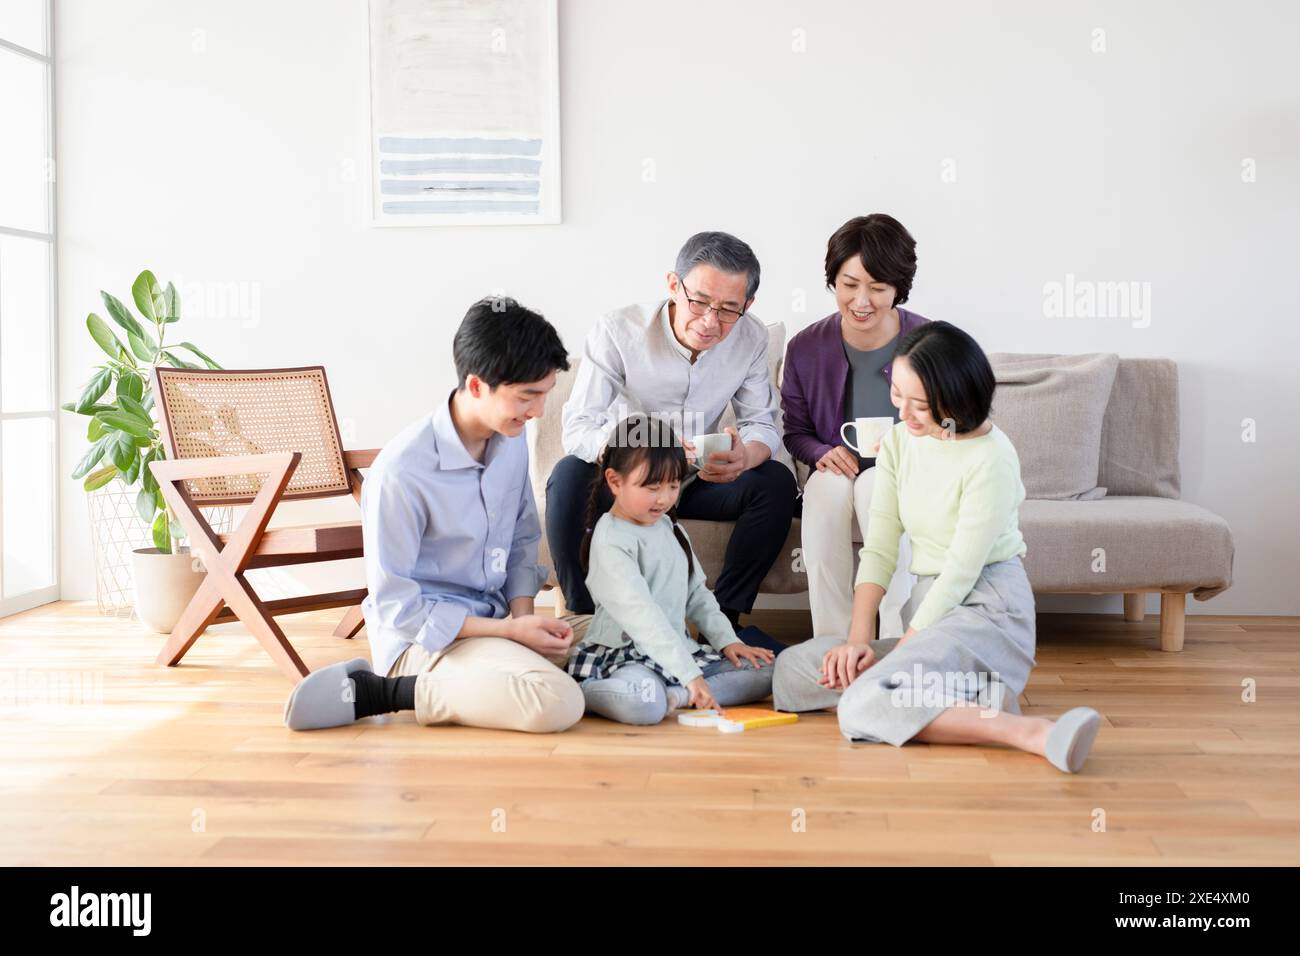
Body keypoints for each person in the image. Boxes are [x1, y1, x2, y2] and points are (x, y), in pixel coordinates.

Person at [773, 321, 1104, 773]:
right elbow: (881, 550)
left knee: (859, 705)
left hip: (985, 608)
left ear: (957, 398)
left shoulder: (991, 458)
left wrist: (905, 650)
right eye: (898, 396)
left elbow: (961, 573)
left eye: (921, 405)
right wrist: (856, 641)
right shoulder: (899, 443)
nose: (904, 415)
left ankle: (1033, 733)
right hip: (927, 606)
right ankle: (964, 697)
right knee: (793, 671)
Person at [284, 297, 585, 734]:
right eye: (528, 397)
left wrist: (522, 619)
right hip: (426, 642)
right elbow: (397, 608)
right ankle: (384, 691)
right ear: (477, 385)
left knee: (636, 637)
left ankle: (514, 677)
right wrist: (510, 635)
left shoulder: (511, 439)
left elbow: (522, 540)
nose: (539, 411)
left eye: (544, 395)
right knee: (554, 702)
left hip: (498, 624)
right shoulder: (401, 473)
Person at [546, 231, 797, 650]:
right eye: (698, 301)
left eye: (728, 309)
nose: (709, 322)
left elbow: (762, 425)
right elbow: (579, 426)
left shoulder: (752, 337)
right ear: (672, 286)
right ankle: (585, 618)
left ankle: (725, 624)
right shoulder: (617, 329)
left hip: (701, 480)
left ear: (747, 305)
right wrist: (643, 455)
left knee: (775, 481)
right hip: (628, 481)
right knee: (569, 475)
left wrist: (745, 457)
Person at [567, 414, 775, 724]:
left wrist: (729, 641)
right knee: (643, 703)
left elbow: (697, 595)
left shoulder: (669, 526)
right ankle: (581, 691)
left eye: (673, 485)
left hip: (679, 652)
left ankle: (676, 696)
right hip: (628, 657)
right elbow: (643, 617)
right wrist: (691, 675)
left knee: (765, 672)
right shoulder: (611, 539)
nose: (664, 499)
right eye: (651, 487)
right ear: (614, 481)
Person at [781, 214, 926, 641]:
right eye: (849, 284)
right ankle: (831, 642)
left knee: (875, 484)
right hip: (836, 470)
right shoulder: (806, 348)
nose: (861, 300)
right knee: (825, 487)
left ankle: (893, 642)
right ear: (833, 281)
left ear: (898, 288)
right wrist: (818, 452)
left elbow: (956, 424)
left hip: (904, 474)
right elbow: (796, 431)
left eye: (878, 288)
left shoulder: (931, 342)